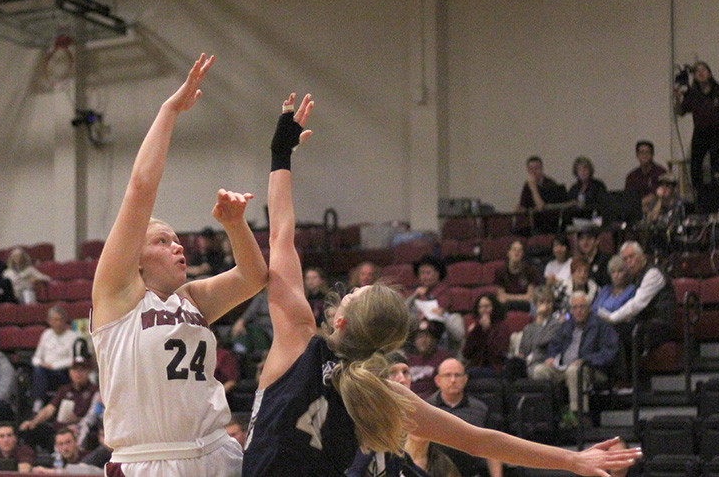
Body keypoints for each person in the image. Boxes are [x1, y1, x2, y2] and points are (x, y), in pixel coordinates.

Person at [244, 94, 641, 477]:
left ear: (342, 320)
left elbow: (280, 236)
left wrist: (281, 153)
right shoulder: (385, 395)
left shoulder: (297, 340)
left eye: (351, 294)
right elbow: (481, 440)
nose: (345, 292)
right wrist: (573, 460)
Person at [90, 55, 268, 477]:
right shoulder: (117, 296)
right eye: (162, 241)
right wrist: (169, 111)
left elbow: (253, 276)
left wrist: (235, 225)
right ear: (135, 258)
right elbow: (140, 189)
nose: (177, 248)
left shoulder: (191, 300)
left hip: (215, 451)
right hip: (147, 462)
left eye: (178, 240)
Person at [530, 291, 618, 428]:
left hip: (592, 369)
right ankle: (548, 416)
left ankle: (579, 416)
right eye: (575, 308)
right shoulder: (567, 325)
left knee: (574, 370)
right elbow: (554, 345)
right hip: (563, 366)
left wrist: (585, 360)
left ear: (589, 307)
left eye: (582, 307)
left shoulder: (601, 325)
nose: (578, 311)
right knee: (539, 370)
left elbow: (609, 352)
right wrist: (551, 358)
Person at [595, 241, 675, 383]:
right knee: (610, 329)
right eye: (625, 259)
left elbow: (637, 304)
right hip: (644, 322)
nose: (629, 262)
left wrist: (612, 317)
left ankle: (625, 380)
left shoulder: (653, 273)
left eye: (631, 257)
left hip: (660, 324)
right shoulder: (636, 277)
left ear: (641, 256)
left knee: (617, 330)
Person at [427, 358, 502, 477]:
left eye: (457, 375)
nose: (453, 380)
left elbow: (491, 447)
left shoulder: (481, 409)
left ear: (465, 379)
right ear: (437, 380)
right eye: (447, 375)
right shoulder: (427, 408)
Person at [674, 61, 719, 194]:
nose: (701, 73)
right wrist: (677, 99)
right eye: (697, 71)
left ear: (709, 73)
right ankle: (701, 197)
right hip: (700, 133)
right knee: (695, 169)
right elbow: (680, 112)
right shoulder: (692, 93)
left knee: (717, 169)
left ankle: (716, 197)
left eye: (703, 70)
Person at [19, 359, 98, 451]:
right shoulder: (64, 389)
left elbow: (95, 416)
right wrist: (34, 422)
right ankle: (28, 461)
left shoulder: (94, 391)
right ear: (69, 372)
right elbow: (49, 409)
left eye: (82, 370)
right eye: (74, 370)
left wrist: (78, 420)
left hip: (79, 430)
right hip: (59, 430)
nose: (78, 373)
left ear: (88, 372)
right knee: (30, 429)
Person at [407, 257, 465, 354]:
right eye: (422, 273)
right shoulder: (417, 293)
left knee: (453, 320)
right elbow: (402, 311)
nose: (425, 277)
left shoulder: (445, 291)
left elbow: (444, 309)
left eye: (428, 273)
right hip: (418, 328)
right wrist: (414, 296)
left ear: (437, 274)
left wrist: (441, 312)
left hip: (440, 328)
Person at [29, 305, 81, 412]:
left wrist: (53, 366)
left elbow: (73, 360)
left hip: (63, 372)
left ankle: (39, 401)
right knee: (38, 370)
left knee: (40, 371)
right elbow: (37, 357)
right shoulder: (46, 334)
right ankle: (38, 403)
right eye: (55, 320)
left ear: (65, 321)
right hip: (44, 370)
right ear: (49, 321)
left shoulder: (73, 336)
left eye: (60, 320)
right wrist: (40, 363)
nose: (58, 323)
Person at [507, 288, 562, 381]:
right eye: (542, 302)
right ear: (536, 304)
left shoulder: (556, 324)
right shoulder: (529, 327)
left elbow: (541, 342)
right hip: (528, 363)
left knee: (538, 371)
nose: (546, 306)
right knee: (510, 367)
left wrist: (540, 319)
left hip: (543, 361)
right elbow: (523, 350)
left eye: (548, 302)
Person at [461, 293, 511, 378]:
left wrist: (487, 330)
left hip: (495, 367)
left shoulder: (502, 327)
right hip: (476, 365)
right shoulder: (476, 327)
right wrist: (474, 333)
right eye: (480, 307)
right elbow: (466, 353)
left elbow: (498, 352)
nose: (483, 310)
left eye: (487, 306)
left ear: (494, 307)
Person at [407, 319, 449, 398]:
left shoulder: (443, 358)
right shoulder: (409, 360)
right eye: (419, 337)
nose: (423, 340)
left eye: (427, 336)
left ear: (434, 339)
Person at [33, 427, 103, 474]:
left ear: (76, 442)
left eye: (68, 442)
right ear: (57, 447)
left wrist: (49, 471)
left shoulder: (89, 457)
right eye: (61, 444)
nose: (65, 448)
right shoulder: (57, 461)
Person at [494, 240, 537, 312]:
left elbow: (530, 297)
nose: (517, 252)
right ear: (508, 253)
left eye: (520, 250)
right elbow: (501, 297)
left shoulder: (530, 270)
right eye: (514, 250)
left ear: (523, 254)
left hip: (525, 305)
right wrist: (523, 297)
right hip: (506, 305)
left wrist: (508, 297)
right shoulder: (500, 271)